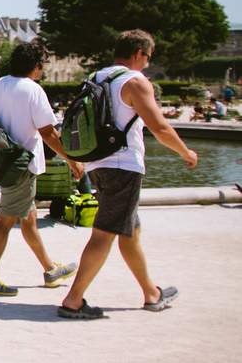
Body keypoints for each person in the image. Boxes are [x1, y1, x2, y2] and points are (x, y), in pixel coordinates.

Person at [59, 30, 198, 319]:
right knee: (103, 234)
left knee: (130, 231)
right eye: (148, 57)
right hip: (123, 166)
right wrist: (186, 153)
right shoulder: (135, 81)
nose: (148, 63)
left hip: (97, 164)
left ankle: (151, 293)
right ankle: (73, 300)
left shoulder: (97, 77)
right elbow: (159, 128)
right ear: (137, 53)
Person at [0, 40, 83, 297]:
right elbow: (48, 132)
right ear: (35, 65)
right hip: (21, 163)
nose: (43, 69)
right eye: (43, 64)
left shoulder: (0, 85)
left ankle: (50, 269)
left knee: (29, 220)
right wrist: (72, 159)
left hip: (4, 160)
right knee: (4, 222)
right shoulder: (33, 90)